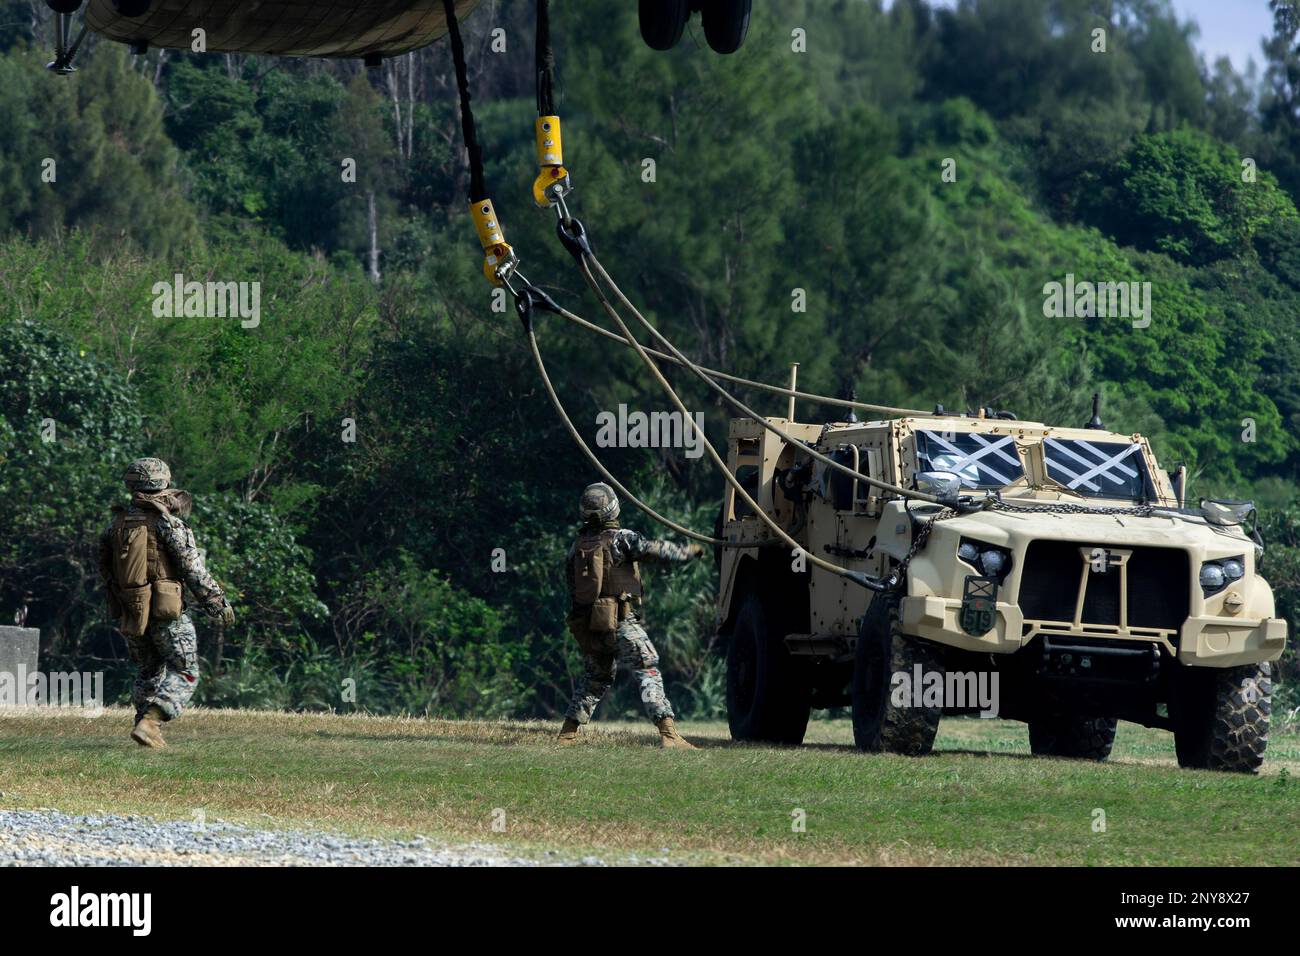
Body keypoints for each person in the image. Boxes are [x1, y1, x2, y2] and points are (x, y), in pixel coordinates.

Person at [98, 458, 233, 748]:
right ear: (164, 482)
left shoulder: (115, 525)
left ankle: (143, 728)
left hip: (131, 610)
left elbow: (105, 569)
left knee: (148, 670)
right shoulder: (168, 523)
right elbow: (192, 568)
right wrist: (215, 599)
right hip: (165, 611)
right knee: (186, 669)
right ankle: (152, 722)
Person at [558, 482, 704, 748]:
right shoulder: (621, 538)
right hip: (622, 621)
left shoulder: (577, 546)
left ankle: (567, 734)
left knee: (595, 677)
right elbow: (654, 550)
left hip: (591, 624)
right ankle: (669, 734)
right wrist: (687, 552)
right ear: (612, 508)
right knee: (647, 668)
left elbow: (572, 590)